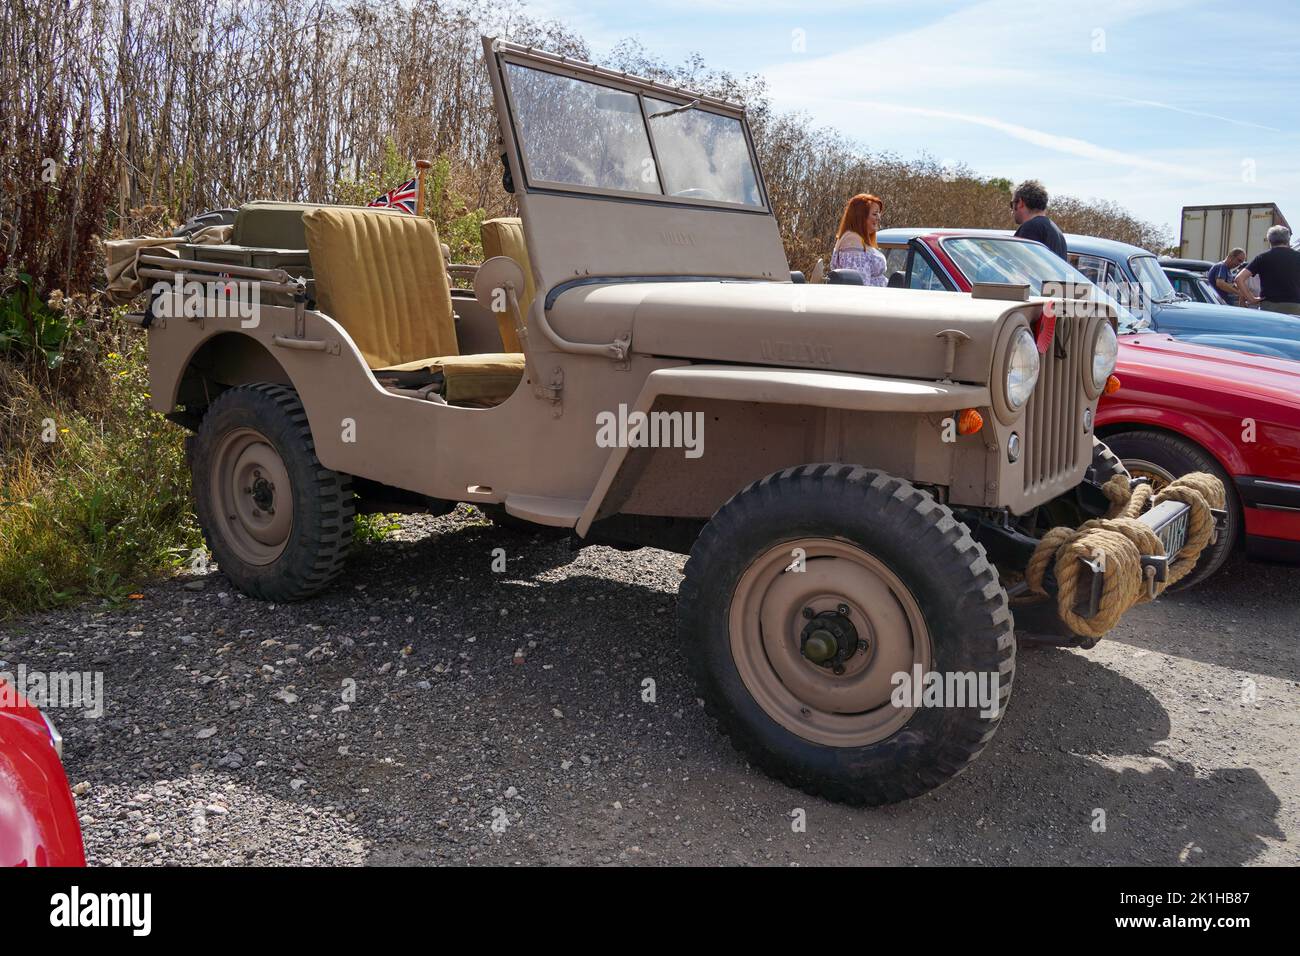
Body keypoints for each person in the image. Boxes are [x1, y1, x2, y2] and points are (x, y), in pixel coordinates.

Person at [1235, 226, 1300, 314]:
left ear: (1269, 240)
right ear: (1288, 240)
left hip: (1269, 306)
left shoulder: (1262, 258)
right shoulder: (1298, 257)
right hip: (1294, 305)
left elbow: (1239, 279)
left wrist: (1251, 299)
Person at [829, 193, 887, 286]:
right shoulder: (852, 241)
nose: (879, 218)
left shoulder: (857, 240)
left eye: (879, 214)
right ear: (861, 216)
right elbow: (860, 285)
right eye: (875, 214)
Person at [1010, 179, 1067, 260]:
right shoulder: (1056, 231)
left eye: (1012, 204)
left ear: (1020, 203)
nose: (1012, 210)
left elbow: (1020, 265)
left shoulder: (1031, 228)